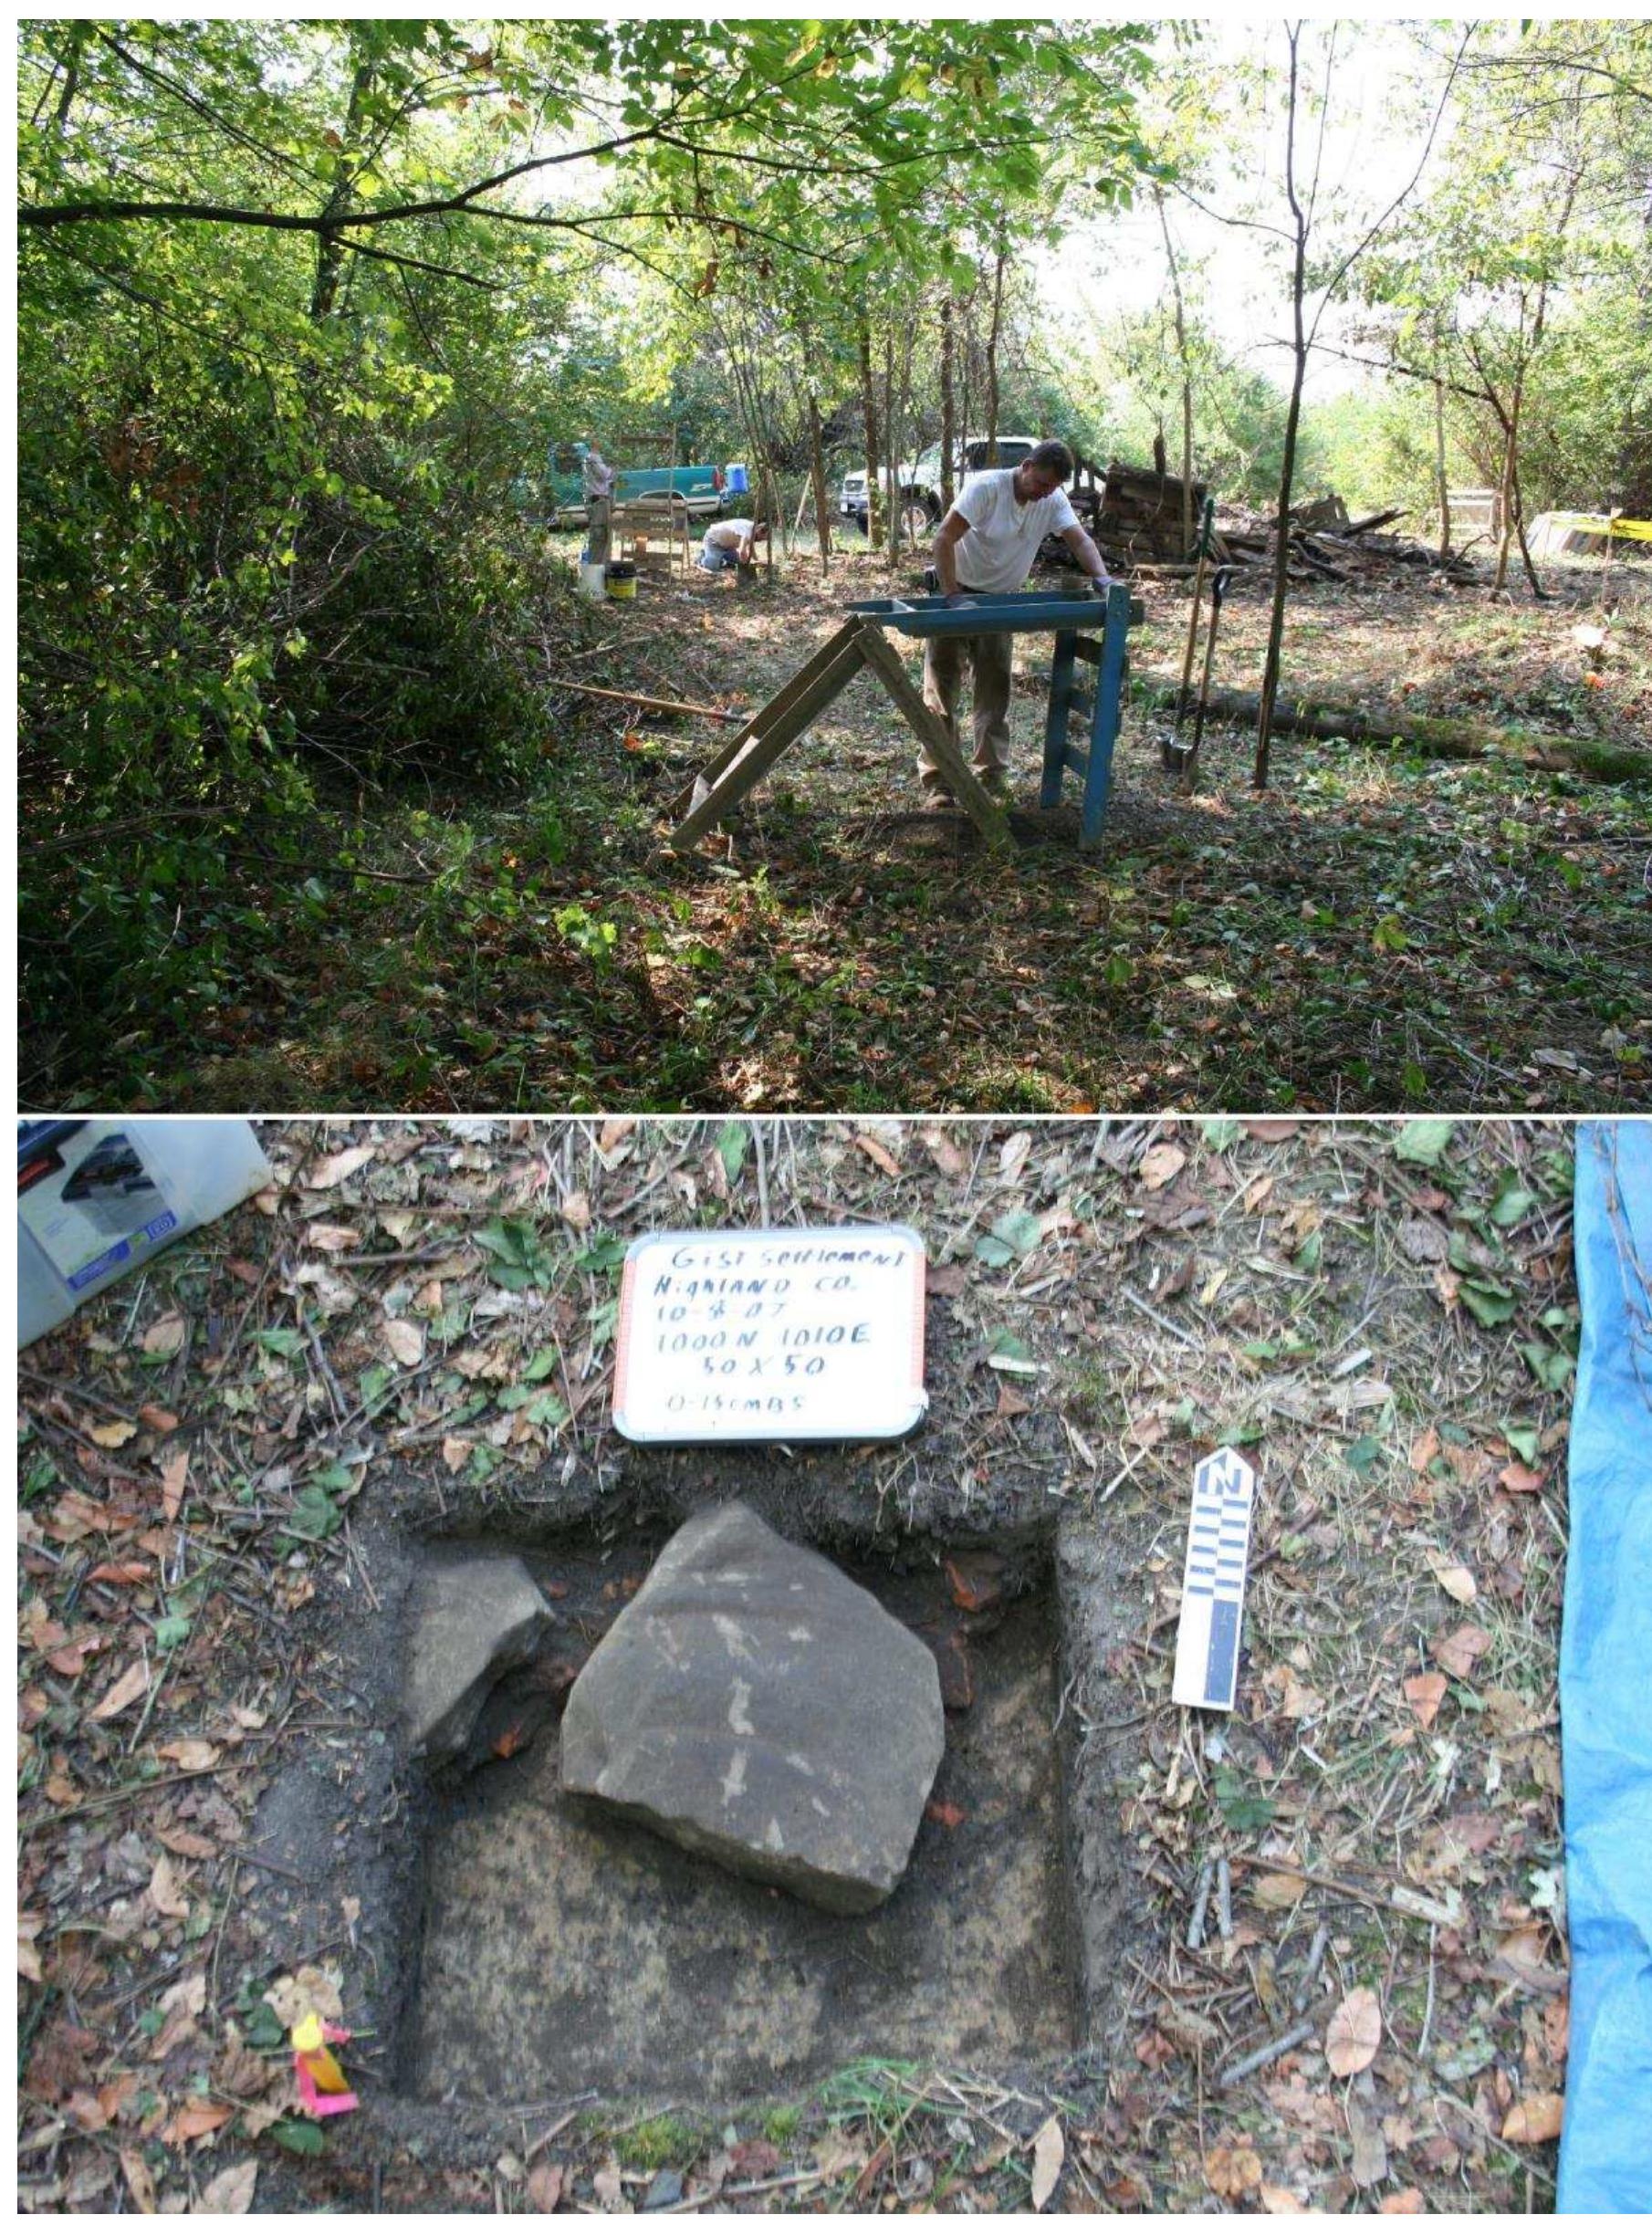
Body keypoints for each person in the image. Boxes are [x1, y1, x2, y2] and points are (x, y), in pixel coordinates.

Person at [921, 438, 1111, 803]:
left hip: (999, 602)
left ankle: (989, 778)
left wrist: (1102, 577)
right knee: (942, 691)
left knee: (994, 692)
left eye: (1052, 487)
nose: (1044, 493)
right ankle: (940, 784)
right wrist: (952, 597)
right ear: (1025, 466)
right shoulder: (987, 488)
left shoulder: (1052, 499)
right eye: (1040, 483)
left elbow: (1080, 541)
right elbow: (943, 538)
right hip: (954, 591)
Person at [582, 438, 617, 567]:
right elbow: (603, 474)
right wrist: (613, 468)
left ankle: (601, 569)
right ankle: (594, 571)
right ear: (594, 443)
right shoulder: (592, 458)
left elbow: (606, 480)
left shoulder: (597, 458)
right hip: (598, 502)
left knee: (604, 538)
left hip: (602, 500)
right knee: (599, 537)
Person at [698, 517, 769, 572]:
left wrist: (757, 561)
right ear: (759, 531)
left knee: (736, 563)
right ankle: (702, 556)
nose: (762, 540)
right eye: (763, 538)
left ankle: (720, 558)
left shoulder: (753, 531)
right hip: (714, 541)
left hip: (729, 547)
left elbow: (751, 547)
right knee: (712, 567)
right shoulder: (747, 530)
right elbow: (742, 551)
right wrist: (746, 566)